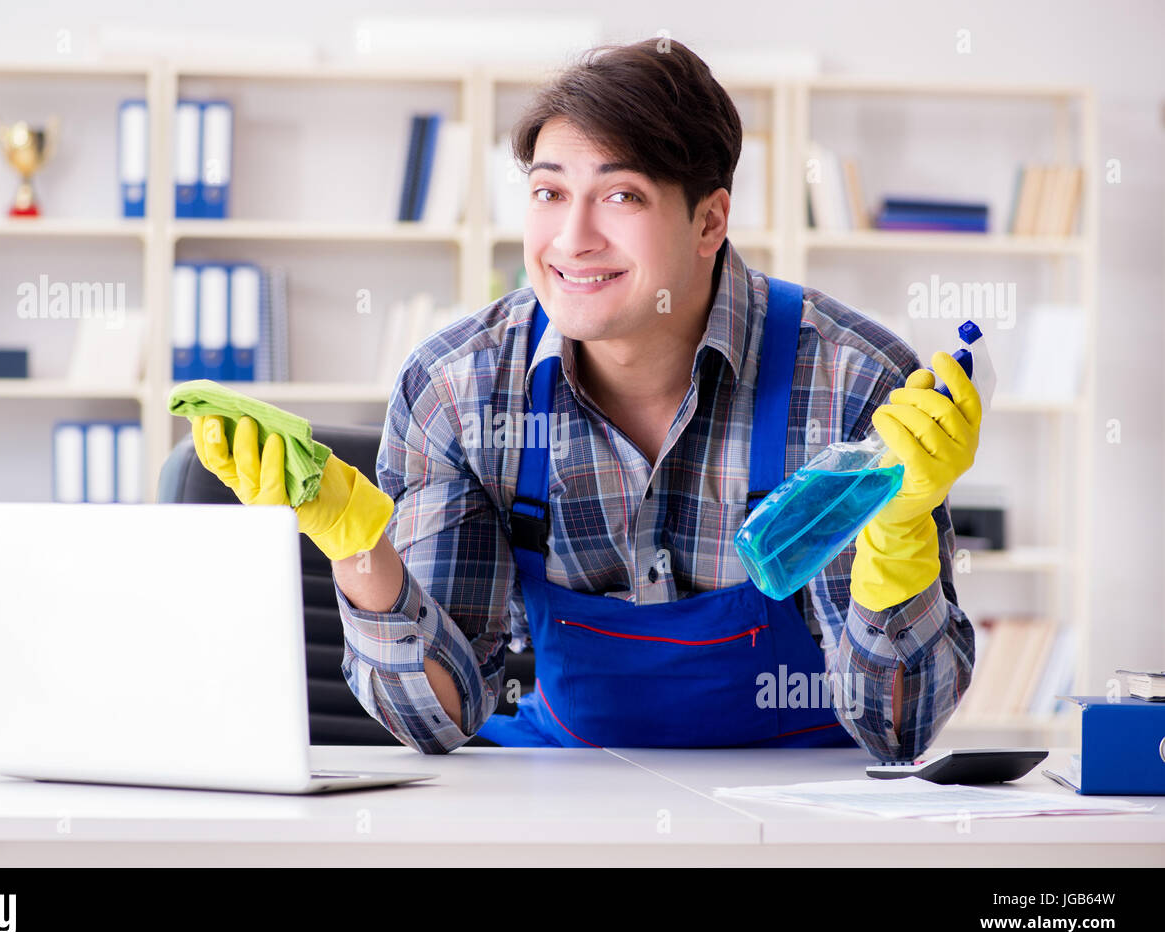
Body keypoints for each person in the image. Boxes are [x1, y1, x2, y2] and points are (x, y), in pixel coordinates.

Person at [192, 37, 979, 760]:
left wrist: (898, 535)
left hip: (791, 814)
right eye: (547, 193)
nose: (572, 238)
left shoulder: (850, 384)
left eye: (621, 197)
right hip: (560, 800)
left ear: (710, 221)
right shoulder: (461, 389)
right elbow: (437, 720)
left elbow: (896, 727)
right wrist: (354, 541)